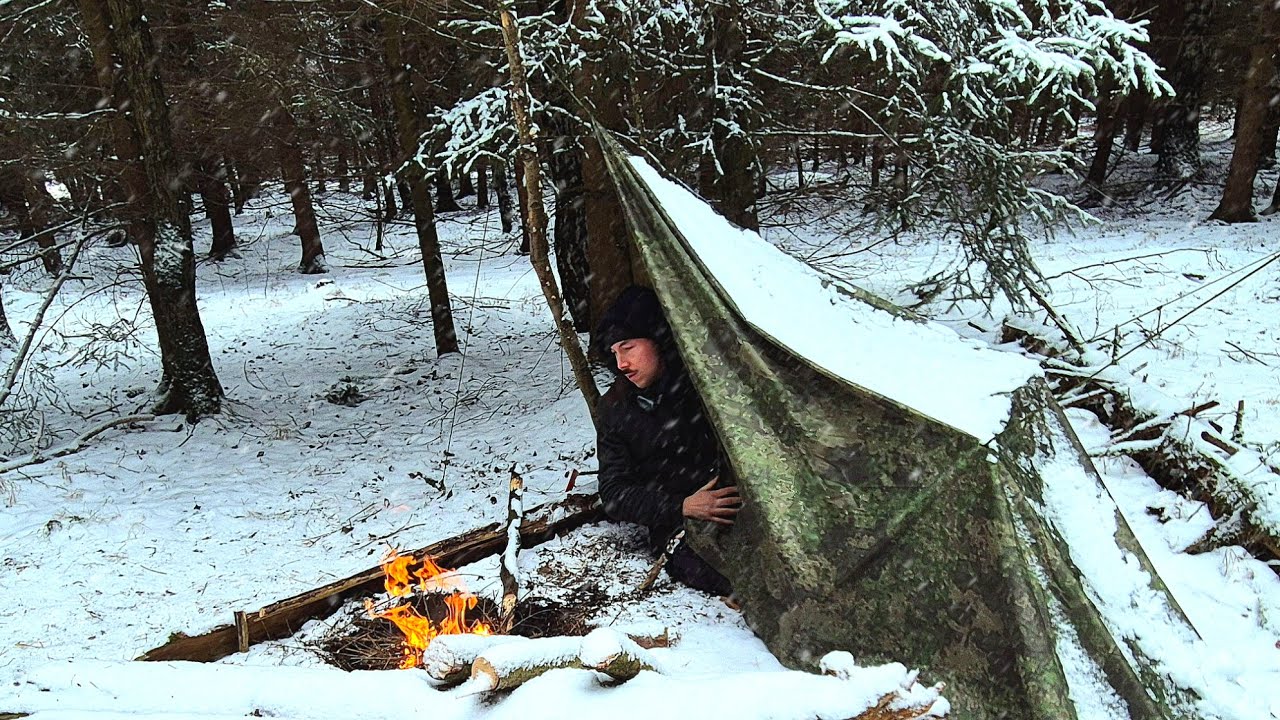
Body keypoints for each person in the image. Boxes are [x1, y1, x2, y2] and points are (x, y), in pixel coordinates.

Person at [594, 286, 740, 596]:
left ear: (656, 340)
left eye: (628, 347)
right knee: (730, 578)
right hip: (677, 524)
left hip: (735, 502)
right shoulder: (616, 409)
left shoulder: (703, 383)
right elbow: (614, 493)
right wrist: (683, 505)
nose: (621, 364)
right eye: (615, 353)